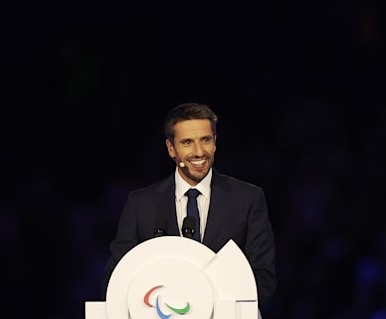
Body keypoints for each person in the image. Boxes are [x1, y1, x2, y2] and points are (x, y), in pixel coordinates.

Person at [103, 102, 276, 302]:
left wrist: (206, 304)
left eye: (205, 140)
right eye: (187, 142)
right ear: (171, 148)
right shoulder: (141, 204)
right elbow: (115, 279)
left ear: (215, 142)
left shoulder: (247, 199)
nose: (199, 152)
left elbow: (263, 279)